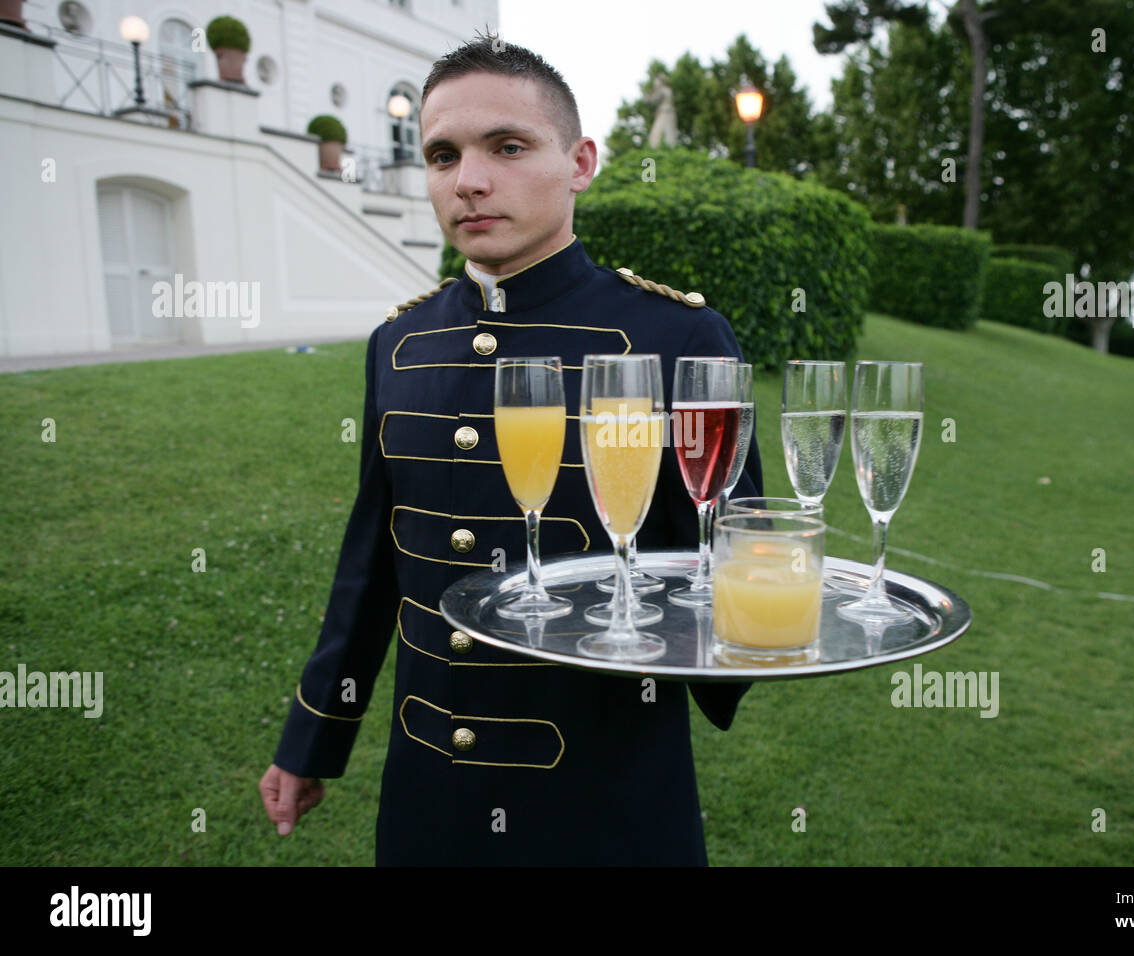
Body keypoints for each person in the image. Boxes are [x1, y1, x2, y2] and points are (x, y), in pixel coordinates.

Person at [258, 34, 763, 865]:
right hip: (429, 800)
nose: (469, 180)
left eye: (508, 146)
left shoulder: (677, 336)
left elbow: (736, 557)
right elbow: (371, 564)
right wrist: (313, 735)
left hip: (607, 804)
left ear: (581, 162)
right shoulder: (399, 343)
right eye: (442, 154)